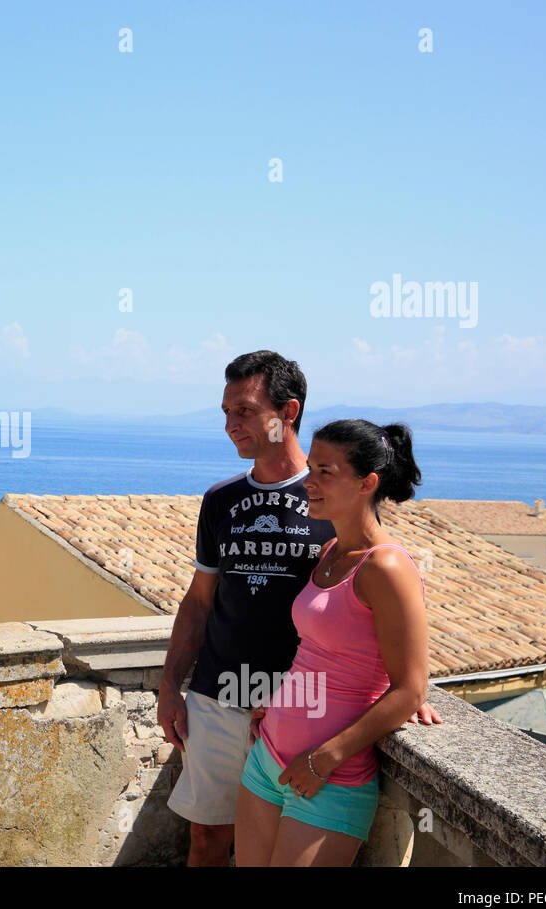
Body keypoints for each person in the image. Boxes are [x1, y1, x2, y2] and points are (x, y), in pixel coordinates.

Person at [157, 351, 438, 867]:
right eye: (225, 412)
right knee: (205, 842)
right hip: (226, 698)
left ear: (287, 412)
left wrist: (408, 689)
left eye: (243, 410)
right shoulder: (222, 500)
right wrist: (170, 684)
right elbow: (199, 602)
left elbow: (386, 610)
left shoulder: (334, 508)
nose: (229, 425)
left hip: (304, 715)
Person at [235, 420, 430, 866]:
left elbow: (410, 688)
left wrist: (325, 758)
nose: (310, 481)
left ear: (368, 483)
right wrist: (282, 702)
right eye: (311, 468)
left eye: (326, 471)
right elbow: (323, 653)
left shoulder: (387, 568)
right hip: (268, 754)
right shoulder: (331, 553)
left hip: (329, 778)